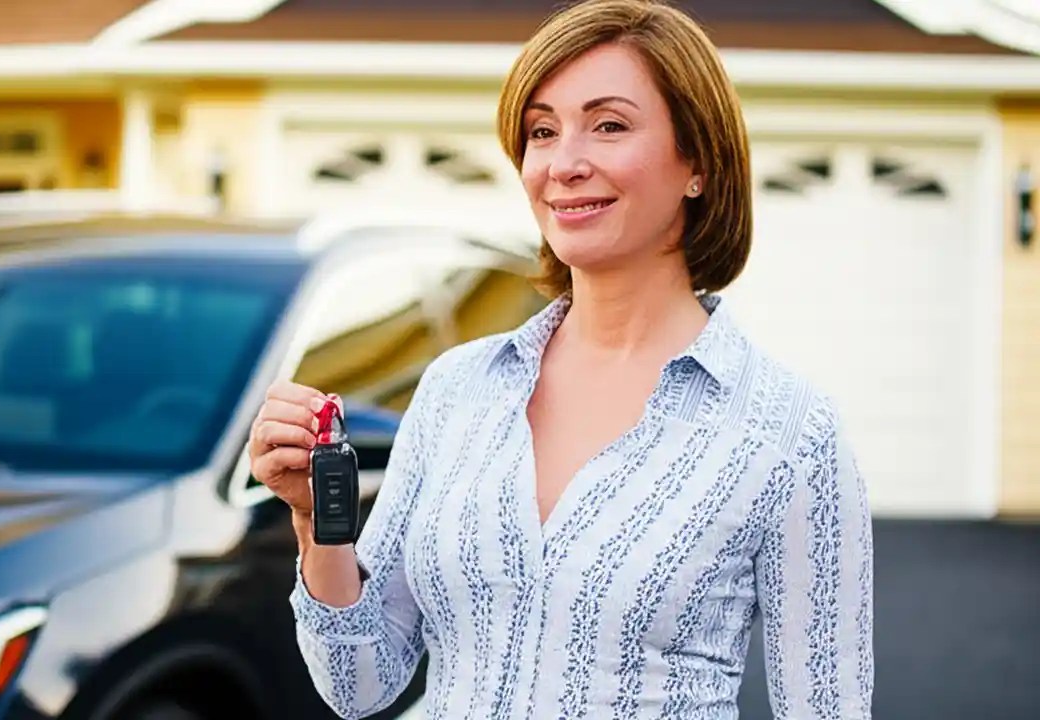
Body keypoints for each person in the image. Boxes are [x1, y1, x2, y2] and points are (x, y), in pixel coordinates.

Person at [247, 0, 874, 718]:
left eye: (609, 125)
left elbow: (827, 708)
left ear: (697, 162)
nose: (564, 164)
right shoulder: (457, 390)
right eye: (542, 131)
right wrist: (314, 523)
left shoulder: (790, 434)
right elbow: (360, 684)